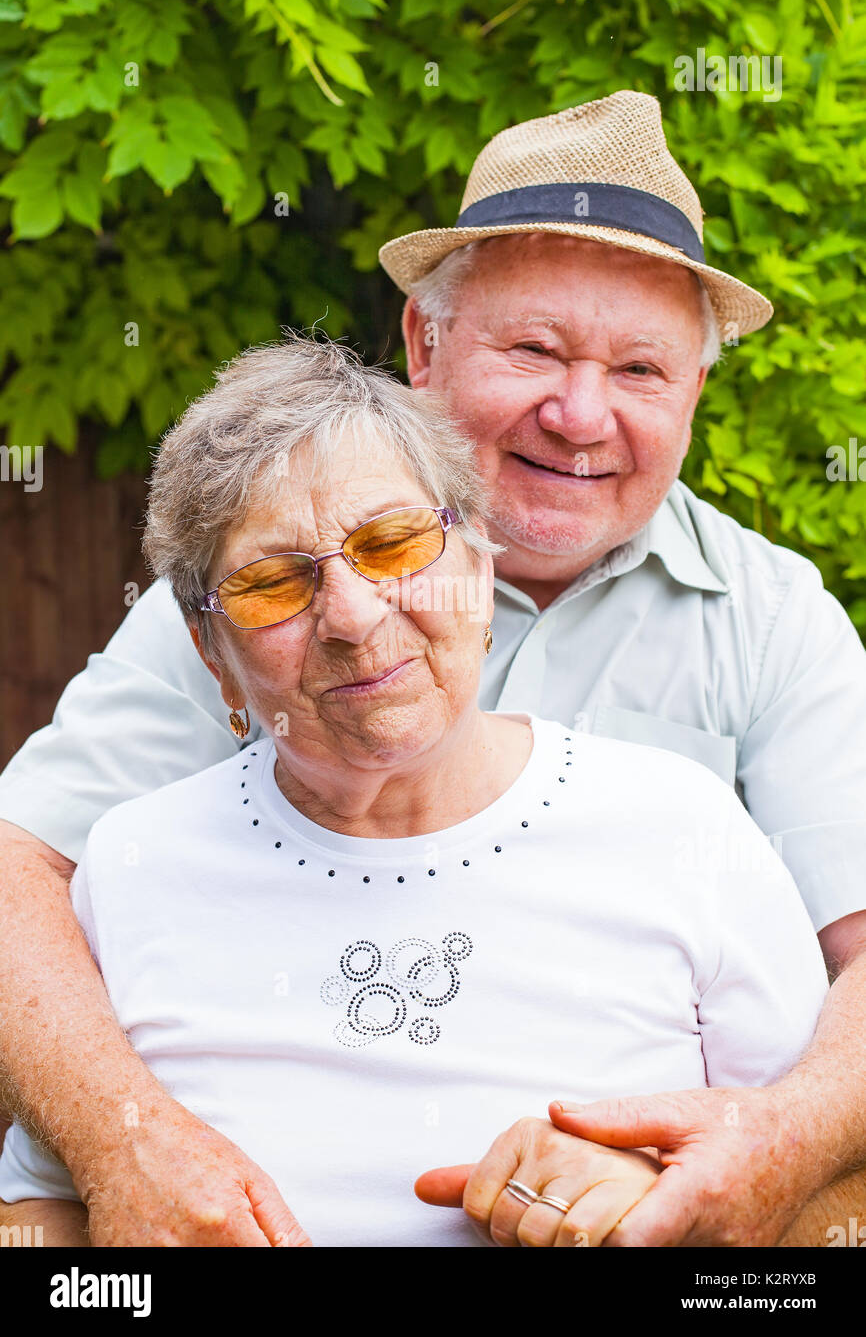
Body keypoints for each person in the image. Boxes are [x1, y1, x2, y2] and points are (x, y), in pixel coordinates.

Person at [0, 90, 864, 1247]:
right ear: (422, 342)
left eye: (641, 369)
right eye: (534, 349)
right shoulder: (253, 588)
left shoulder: (769, 624)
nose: (579, 414)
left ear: (695, 392)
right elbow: (19, 875)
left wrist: (755, 1154)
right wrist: (126, 1144)